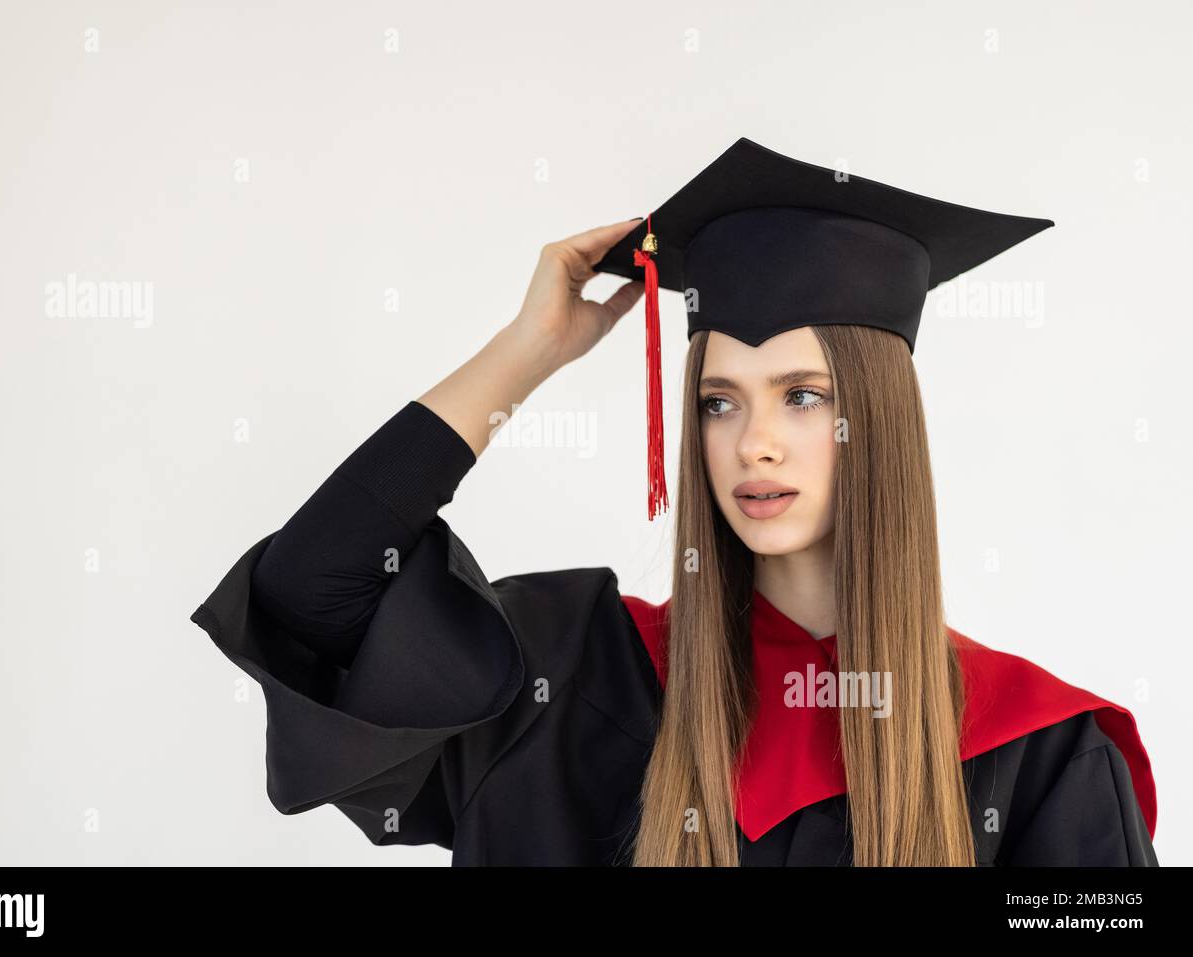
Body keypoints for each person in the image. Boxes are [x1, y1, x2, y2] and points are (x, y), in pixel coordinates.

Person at [189, 138, 1158, 866]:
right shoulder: (567, 684)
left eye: (803, 395)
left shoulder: (1039, 758)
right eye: (718, 402)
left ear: (882, 424)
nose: (755, 441)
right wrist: (526, 355)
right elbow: (312, 595)